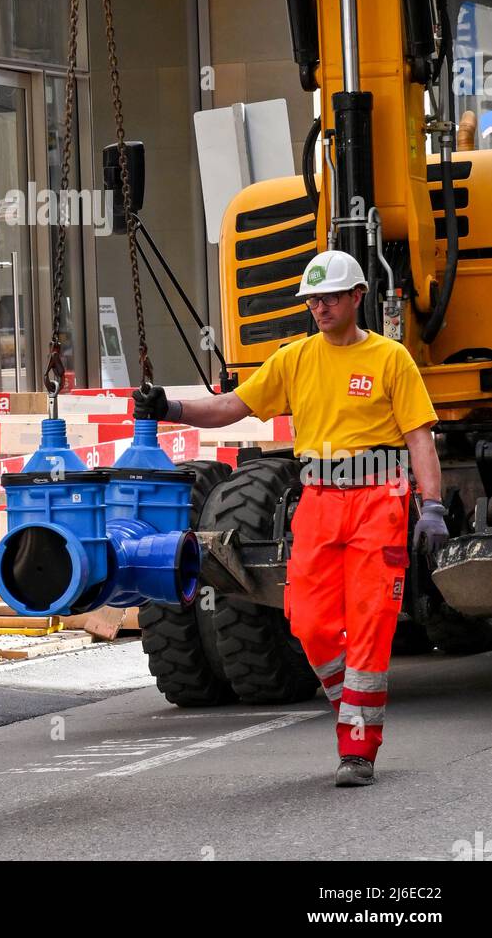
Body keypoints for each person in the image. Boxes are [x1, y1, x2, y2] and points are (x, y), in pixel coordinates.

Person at [134, 249, 448, 788]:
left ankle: (358, 748)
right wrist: (170, 408)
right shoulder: (294, 359)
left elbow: (420, 437)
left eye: (328, 298)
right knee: (306, 619)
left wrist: (434, 506)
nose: (319, 308)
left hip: (381, 501)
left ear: (356, 297)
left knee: (372, 622)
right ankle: (348, 699)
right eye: (312, 301)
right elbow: (232, 406)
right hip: (320, 503)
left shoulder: (391, 358)